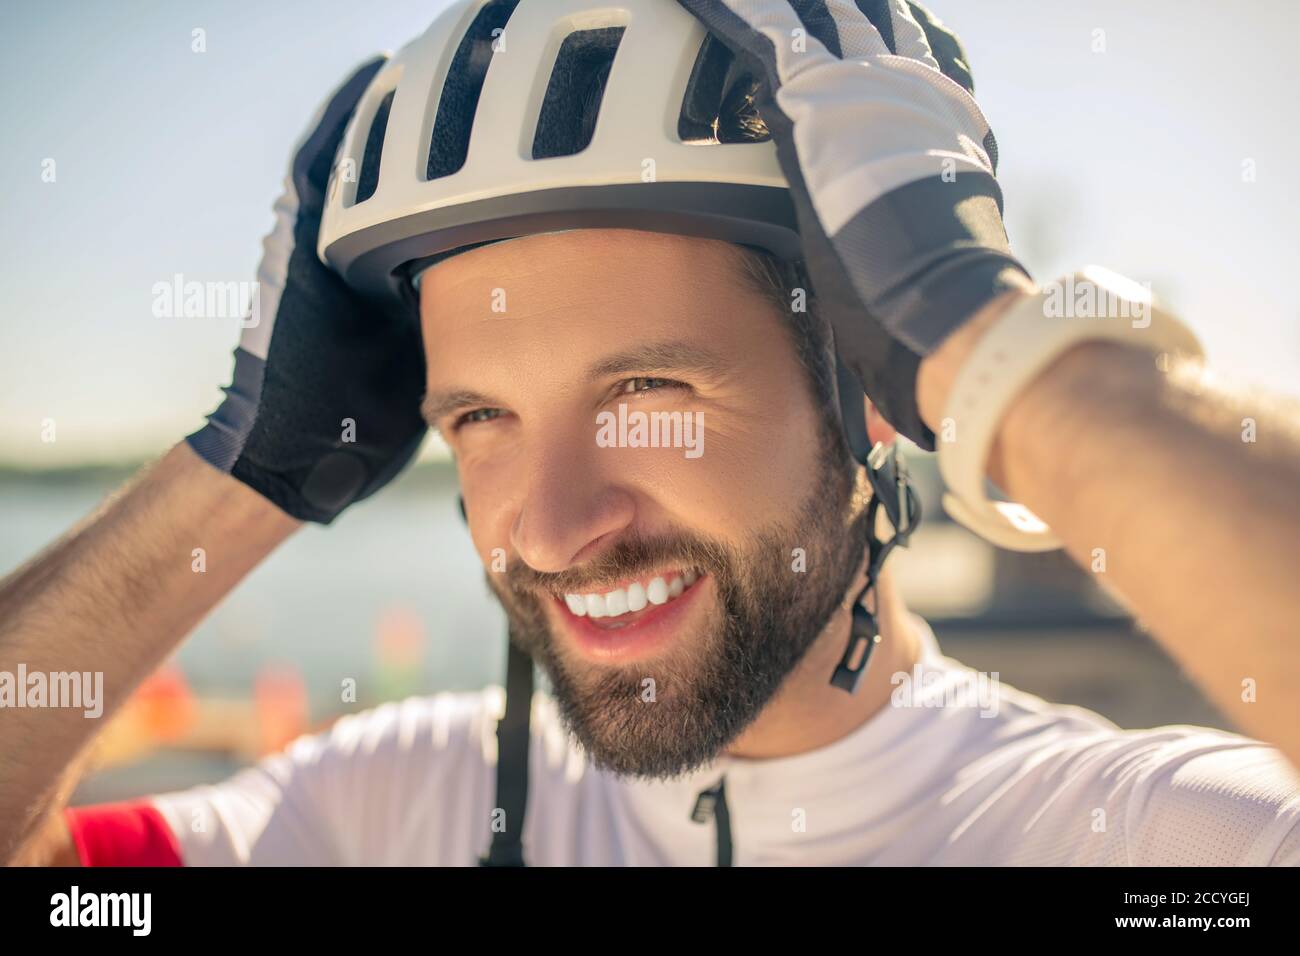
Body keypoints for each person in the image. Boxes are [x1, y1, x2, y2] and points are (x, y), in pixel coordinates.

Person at [5, 0, 1300, 867]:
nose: (553, 529)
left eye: (650, 398)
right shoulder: (397, 808)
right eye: (481, 418)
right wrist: (250, 473)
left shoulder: (1144, 844)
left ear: (868, 395)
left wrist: (986, 344)